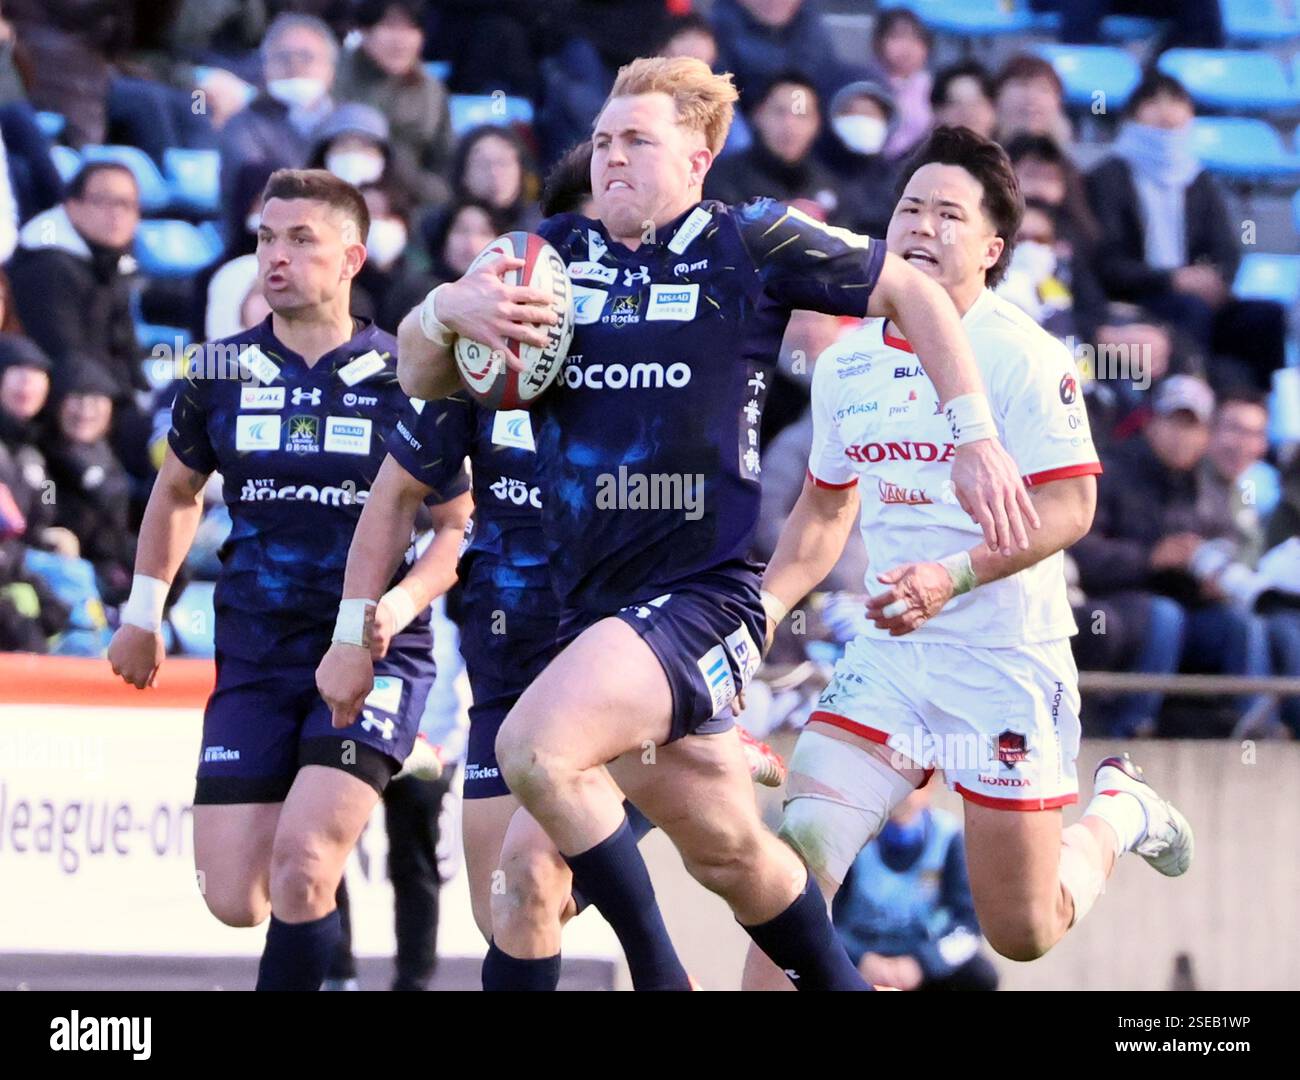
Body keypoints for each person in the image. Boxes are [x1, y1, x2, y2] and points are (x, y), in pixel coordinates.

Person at [354, 56, 1034, 992]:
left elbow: (912, 294)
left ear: (700, 158)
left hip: (701, 600)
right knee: (723, 863)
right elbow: (422, 373)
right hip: (585, 619)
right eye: (602, 141)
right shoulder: (544, 260)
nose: (612, 158)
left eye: (639, 141)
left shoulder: (750, 243)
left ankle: (659, 977)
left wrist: (974, 435)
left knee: (536, 753)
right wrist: (445, 309)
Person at [742, 125, 1192, 989]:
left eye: (949, 213)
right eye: (911, 205)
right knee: (789, 879)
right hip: (890, 656)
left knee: (1021, 930)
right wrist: (758, 614)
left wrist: (952, 576)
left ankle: (1121, 809)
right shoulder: (848, 366)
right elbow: (823, 514)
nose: (923, 224)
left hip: (1003, 658)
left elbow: (1071, 505)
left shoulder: (1024, 355)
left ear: (992, 249)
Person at [105, 168, 472, 992]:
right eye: (267, 237)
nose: (275, 255)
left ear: (352, 256)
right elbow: (176, 490)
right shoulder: (217, 370)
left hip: (371, 656)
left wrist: (401, 605)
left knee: (307, 866)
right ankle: (393, 759)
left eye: (301, 238)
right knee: (235, 898)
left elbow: (455, 524)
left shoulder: (406, 376)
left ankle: (386, 744)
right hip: (256, 653)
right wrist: (143, 611)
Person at [1071, 375, 1271, 735]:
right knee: (1164, 616)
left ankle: (1253, 727)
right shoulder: (1112, 470)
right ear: (1152, 421)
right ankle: (1133, 724)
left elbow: (1224, 545)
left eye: (1193, 427)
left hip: (1184, 602)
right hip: (1112, 599)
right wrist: (1151, 558)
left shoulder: (1207, 485)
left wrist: (1214, 580)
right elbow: (1083, 553)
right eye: (1174, 422)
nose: (1183, 436)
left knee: (1239, 624)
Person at [1086, 73, 1285, 392]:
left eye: (1176, 101)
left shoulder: (1197, 179)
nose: (1166, 110)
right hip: (1137, 299)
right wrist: (1172, 279)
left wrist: (1215, 279)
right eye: (1153, 101)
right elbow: (1107, 262)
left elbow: (1227, 250)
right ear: (1132, 115)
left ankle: (1251, 415)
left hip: (1196, 300)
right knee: (1189, 307)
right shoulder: (1107, 178)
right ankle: (1189, 397)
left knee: (1264, 318)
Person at [832, 781, 997, 991]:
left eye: (914, 780)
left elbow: (968, 926)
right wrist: (858, 958)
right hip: (859, 957)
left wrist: (922, 964)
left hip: (919, 957)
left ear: (931, 783)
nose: (902, 789)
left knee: (980, 976)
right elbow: (824, 916)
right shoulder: (850, 833)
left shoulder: (948, 836)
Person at [332, 0, 454, 209]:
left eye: (411, 28)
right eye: (390, 26)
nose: (400, 40)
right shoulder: (336, 75)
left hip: (412, 200)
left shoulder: (431, 89)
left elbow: (446, 160)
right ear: (364, 30)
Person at [218, 13, 337, 225]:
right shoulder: (242, 124)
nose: (295, 66)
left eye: (306, 56)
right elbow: (254, 189)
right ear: (265, 67)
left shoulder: (352, 121)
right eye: (282, 58)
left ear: (331, 68)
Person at [704, 73, 840, 218]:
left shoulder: (830, 185)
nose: (790, 125)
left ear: (817, 124)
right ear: (757, 114)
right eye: (779, 112)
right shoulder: (722, 179)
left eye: (802, 115)